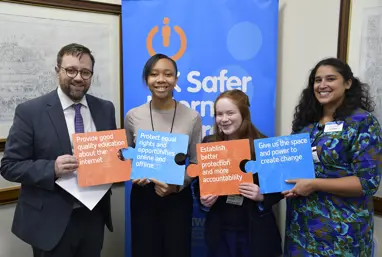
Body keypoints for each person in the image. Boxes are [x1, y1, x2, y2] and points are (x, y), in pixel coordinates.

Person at [0, 43, 115, 257]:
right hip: (50, 222)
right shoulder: (30, 112)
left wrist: (121, 159)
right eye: (70, 70)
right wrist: (51, 167)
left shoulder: (105, 108)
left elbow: (111, 155)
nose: (78, 77)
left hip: (92, 217)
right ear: (57, 71)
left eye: (85, 72)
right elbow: (9, 166)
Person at [283, 57, 382, 256]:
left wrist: (314, 184)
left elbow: (367, 183)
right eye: (317, 80)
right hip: (300, 230)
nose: (322, 85)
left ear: (347, 83)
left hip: (342, 234)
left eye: (330, 79)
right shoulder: (306, 123)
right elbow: (292, 166)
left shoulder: (363, 122)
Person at [124, 53, 202, 257]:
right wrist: (133, 172)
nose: (161, 80)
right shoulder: (133, 116)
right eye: (154, 74)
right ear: (146, 79)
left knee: (177, 250)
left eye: (168, 74)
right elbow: (128, 155)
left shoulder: (192, 117)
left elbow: (196, 163)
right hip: (143, 197)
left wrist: (178, 186)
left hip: (177, 197)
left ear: (176, 79)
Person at [195, 89, 283, 257]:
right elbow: (198, 185)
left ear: (244, 114)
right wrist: (204, 201)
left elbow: (279, 189)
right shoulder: (209, 144)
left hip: (255, 233)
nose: (224, 119)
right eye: (219, 114)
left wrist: (262, 195)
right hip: (220, 233)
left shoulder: (262, 144)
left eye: (230, 113)